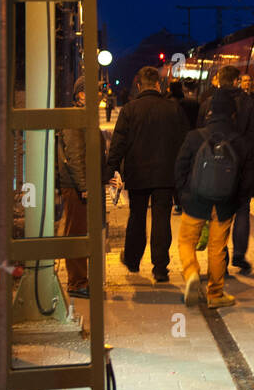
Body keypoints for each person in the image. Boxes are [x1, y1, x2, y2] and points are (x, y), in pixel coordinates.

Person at [105, 66, 188, 282]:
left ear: (139, 85)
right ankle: (160, 268)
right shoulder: (173, 109)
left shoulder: (130, 110)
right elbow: (183, 142)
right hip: (165, 175)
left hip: (138, 174)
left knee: (137, 217)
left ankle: (133, 260)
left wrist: (108, 171)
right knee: (162, 219)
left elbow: (118, 144)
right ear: (158, 85)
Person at [173, 91, 254, 308]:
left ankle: (191, 272)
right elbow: (248, 178)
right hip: (224, 203)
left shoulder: (194, 136)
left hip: (195, 200)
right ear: (232, 114)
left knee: (186, 241)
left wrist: (184, 195)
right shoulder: (240, 141)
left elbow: (179, 167)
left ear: (210, 112)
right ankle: (215, 294)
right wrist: (237, 200)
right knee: (217, 247)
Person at [56, 76, 106, 299]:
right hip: (76, 187)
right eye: (94, 92)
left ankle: (81, 279)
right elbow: (75, 156)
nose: (99, 96)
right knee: (76, 233)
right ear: (81, 95)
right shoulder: (75, 118)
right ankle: (76, 283)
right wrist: (84, 186)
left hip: (81, 185)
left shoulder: (84, 116)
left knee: (81, 232)